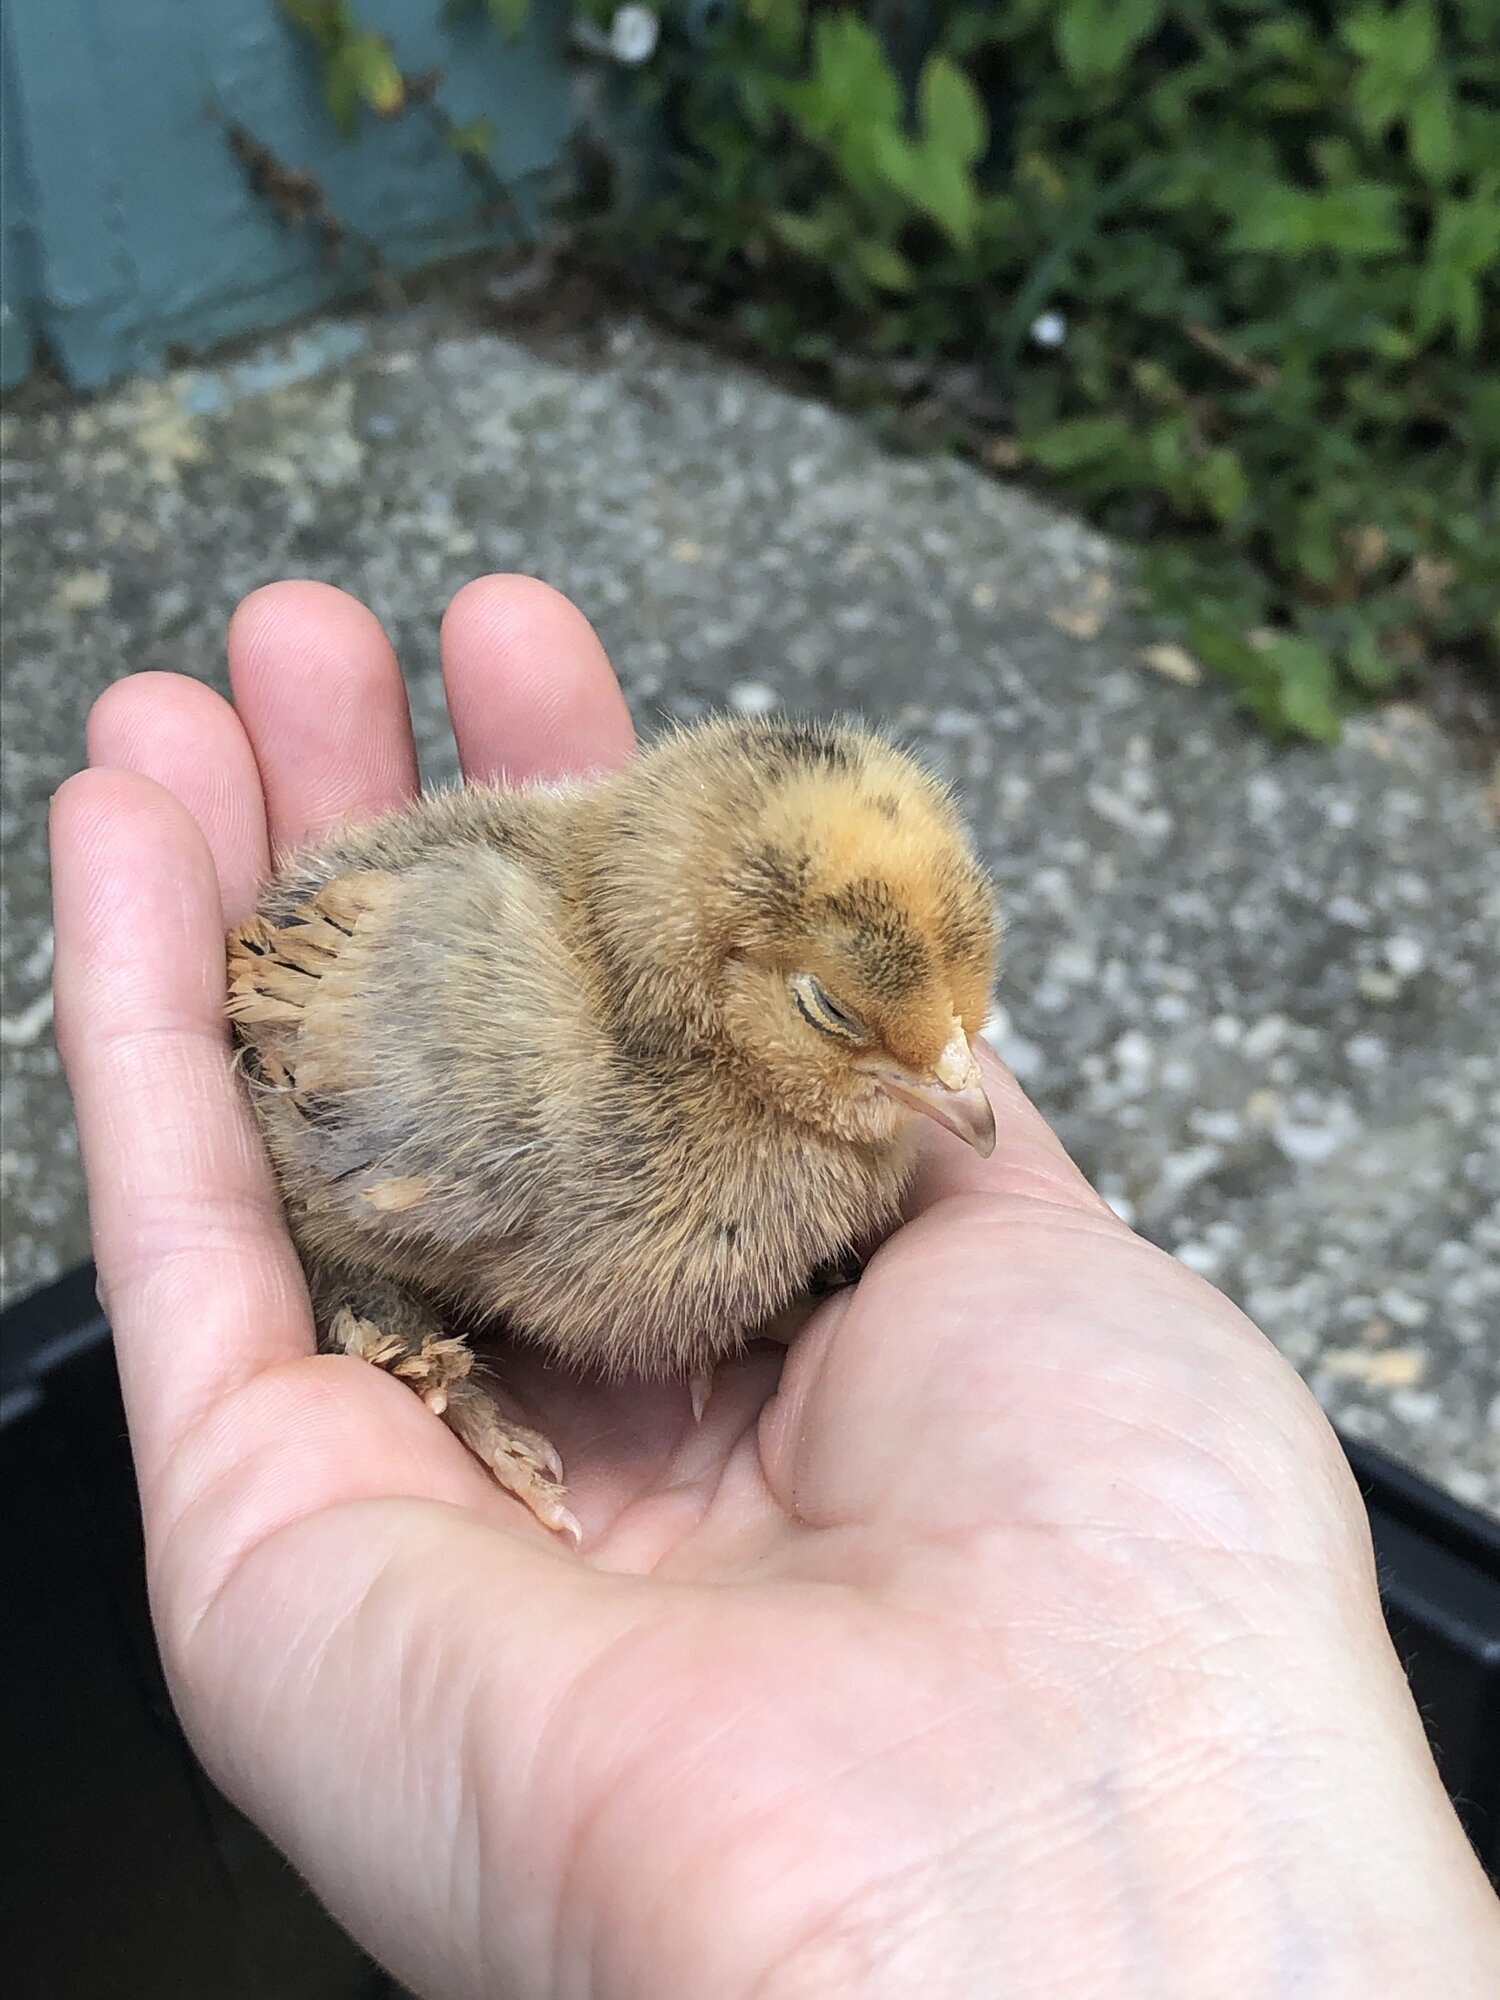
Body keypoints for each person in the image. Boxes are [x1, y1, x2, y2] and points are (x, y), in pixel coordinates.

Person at [50, 576, 1499, 1998]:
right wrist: (381, 1308)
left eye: (959, 1031)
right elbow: (285, 1027)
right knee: (370, 1238)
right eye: (838, 1016)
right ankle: (394, 1323)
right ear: (705, 977)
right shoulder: (499, 1056)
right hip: (433, 1050)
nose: (964, 1088)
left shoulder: (846, 1107)